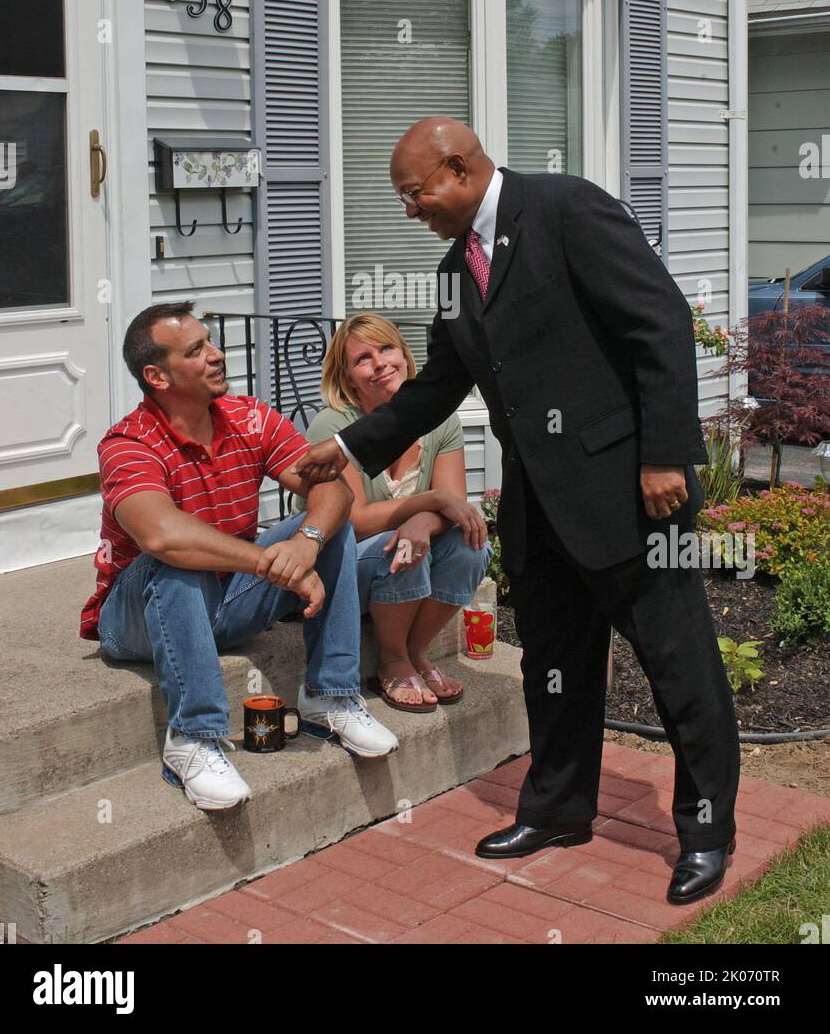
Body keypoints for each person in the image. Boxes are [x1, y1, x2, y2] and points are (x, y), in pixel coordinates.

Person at [292, 117, 741, 905]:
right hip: (540, 504)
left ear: (458, 167)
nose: (410, 209)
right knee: (555, 665)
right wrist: (353, 448)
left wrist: (664, 455)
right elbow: (436, 385)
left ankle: (705, 833)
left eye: (414, 192)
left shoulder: (567, 209)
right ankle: (558, 810)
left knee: (678, 667)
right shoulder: (452, 269)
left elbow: (659, 321)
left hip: (629, 492)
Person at [79, 301, 397, 812]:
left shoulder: (249, 418)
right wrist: (270, 563)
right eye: (196, 350)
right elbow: (161, 536)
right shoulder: (129, 444)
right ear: (156, 375)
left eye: (210, 341)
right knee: (176, 559)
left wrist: (307, 541)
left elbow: (333, 489)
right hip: (135, 618)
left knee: (329, 526)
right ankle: (192, 738)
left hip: (226, 603)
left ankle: (330, 695)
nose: (217, 354)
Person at [293, 313, 491, 711]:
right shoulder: (334, 429)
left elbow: (453, 504)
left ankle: (415, 652)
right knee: (400, 545)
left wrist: (422, 517)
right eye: (363, 358)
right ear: (347, 378)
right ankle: (392, 659)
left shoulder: (440, 421)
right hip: (342, 567)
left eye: (386, 349)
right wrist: (424, 505)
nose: (380, 362)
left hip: (397, 558)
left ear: (404, 356)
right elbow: (355, 521)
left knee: (472, 544)